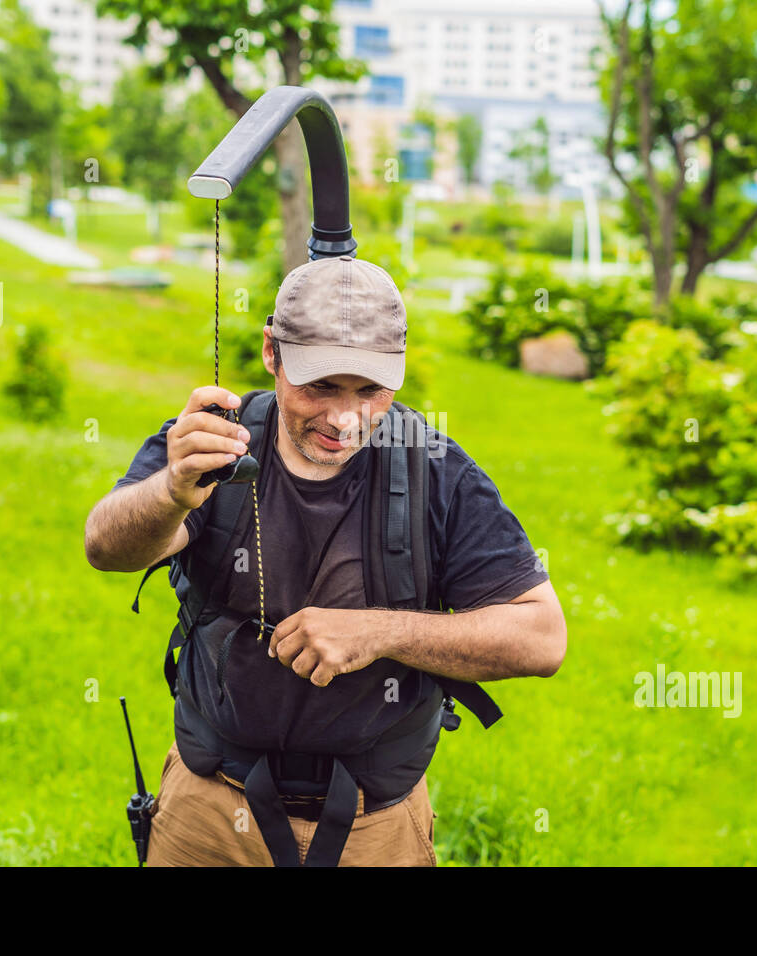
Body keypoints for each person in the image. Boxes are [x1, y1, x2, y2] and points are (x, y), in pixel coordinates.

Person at [84, 254, 566, 866]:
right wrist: (171, 494)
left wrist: (381, 631)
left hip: (377, 824)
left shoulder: (433, 469)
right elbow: (106, 547)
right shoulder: (215, 443)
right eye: (321, 387)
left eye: (371, 391)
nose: (344, 419)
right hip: (208, 810)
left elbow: (542, 638)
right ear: (272, 352)